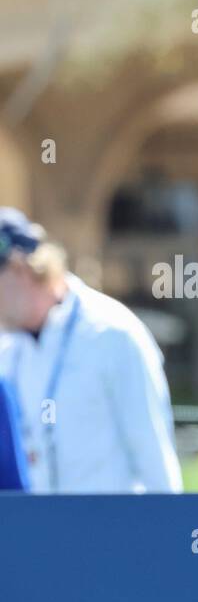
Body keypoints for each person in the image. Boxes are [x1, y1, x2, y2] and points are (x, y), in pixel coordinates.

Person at [0, 208, 182, 493]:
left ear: (20, 270)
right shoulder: (9, 349)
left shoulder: (114, 334)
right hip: (35, 533)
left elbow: (156, 466)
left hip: (113, 534)